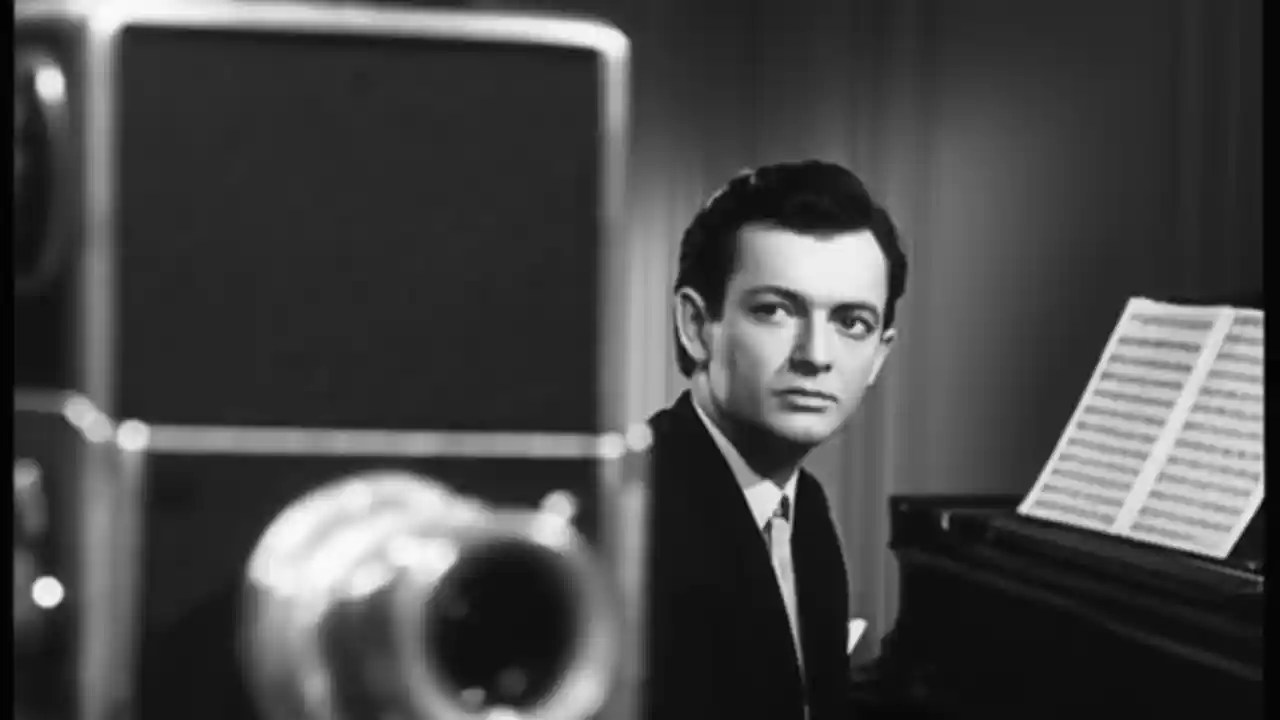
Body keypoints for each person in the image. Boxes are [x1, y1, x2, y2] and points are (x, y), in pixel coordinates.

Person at [643, 160, 908, 720]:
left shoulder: (804, 506)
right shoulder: (635, 517)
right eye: (775, 311)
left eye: (852, 322)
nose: (816, 355)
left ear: (879, 355)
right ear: (696, 326)